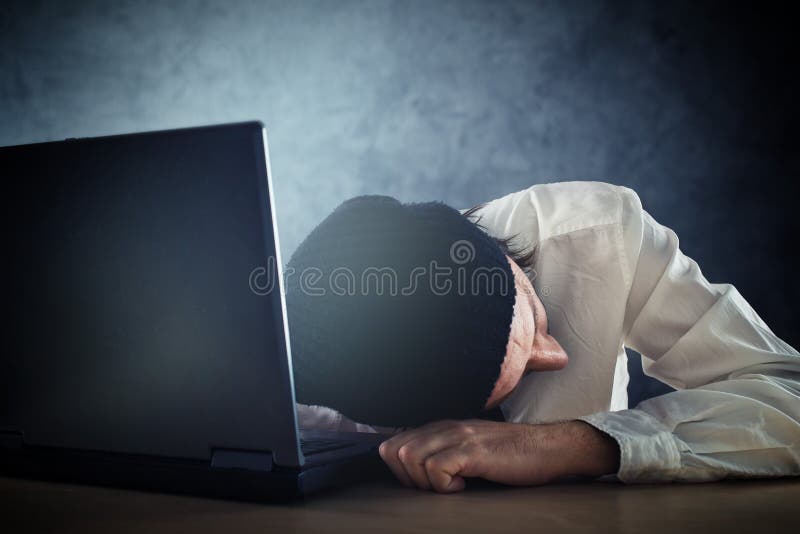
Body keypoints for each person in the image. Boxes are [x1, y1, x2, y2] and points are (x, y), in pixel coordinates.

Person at [285, 181, 800, 493]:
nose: (557, 357)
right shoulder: (317, 376)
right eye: (502, 388)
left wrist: (577, 444)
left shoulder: (599, 234)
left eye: (535, 316)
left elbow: (790, 396)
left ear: (504, 257)